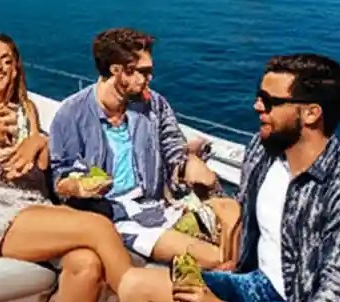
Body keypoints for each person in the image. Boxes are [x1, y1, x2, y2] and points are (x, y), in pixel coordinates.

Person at [0, 33, 179, 302]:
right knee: (98, 226)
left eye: (6, 60)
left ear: (15, 68)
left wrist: (39, 143)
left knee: (87, 265)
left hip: (38, 203)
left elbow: (44, 165)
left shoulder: (27, 109)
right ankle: (136, 293)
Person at [174, 54, 340, 302]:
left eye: (269, 101)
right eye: (259, 96)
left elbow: (337, 297)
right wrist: (238, 266)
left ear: (311, 114)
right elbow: (254, 226)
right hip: (264, 284)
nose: (257, 106)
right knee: (138, 285)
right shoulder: (262, 152)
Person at [49, 28, 234, 268]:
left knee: (237, 233)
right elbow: (61, 176)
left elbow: (172, 147)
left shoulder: (154, 104)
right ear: (117, 71)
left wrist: (186, 166)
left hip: (159, 208)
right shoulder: (71, 114)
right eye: (143, 72)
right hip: (114, 218)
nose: (149, 79)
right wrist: (80, 186)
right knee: (216, 258)